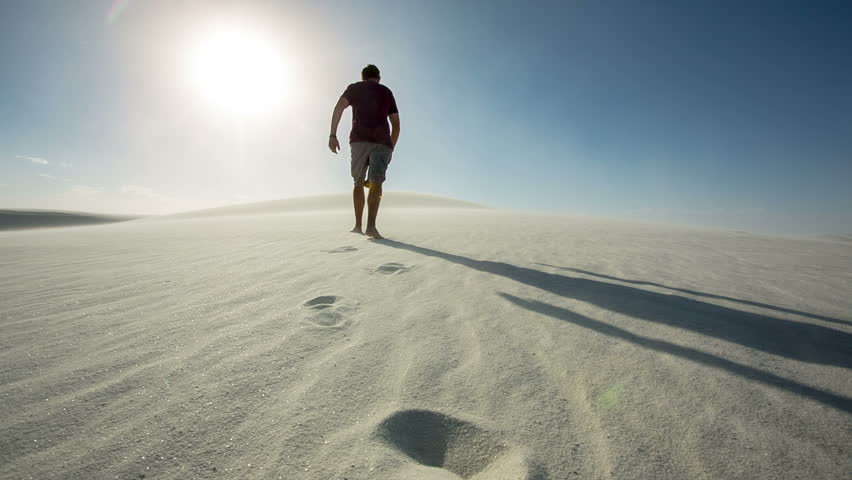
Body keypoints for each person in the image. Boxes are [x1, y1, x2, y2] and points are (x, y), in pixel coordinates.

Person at [328, 64, 400, 240]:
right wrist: (391, 148)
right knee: (376, 183)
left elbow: (338, 108)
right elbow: (396, 124)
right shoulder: (386, 92)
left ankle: (358, 225)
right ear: (379, 77)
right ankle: (371, 227)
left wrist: (332, 135)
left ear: (363, 77)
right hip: (382, 143)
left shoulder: (354, 88)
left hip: (359, 140)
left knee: (358, 182)